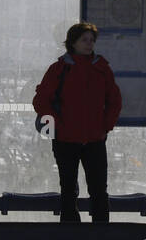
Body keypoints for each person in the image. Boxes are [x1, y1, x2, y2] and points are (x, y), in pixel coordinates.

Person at [32, 22, 122, 223]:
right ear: (72, 42)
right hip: (73, 138)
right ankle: (87, 230)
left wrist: (105, 126)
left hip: (88, 138)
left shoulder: (98, 68)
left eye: (91, 40)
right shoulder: (62, 68)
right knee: (71, 186)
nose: (89, 44)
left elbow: (115, 100)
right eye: (84, 40)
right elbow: (41, 101)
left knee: (95, 187)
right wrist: (103, 126)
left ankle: (84, 230)